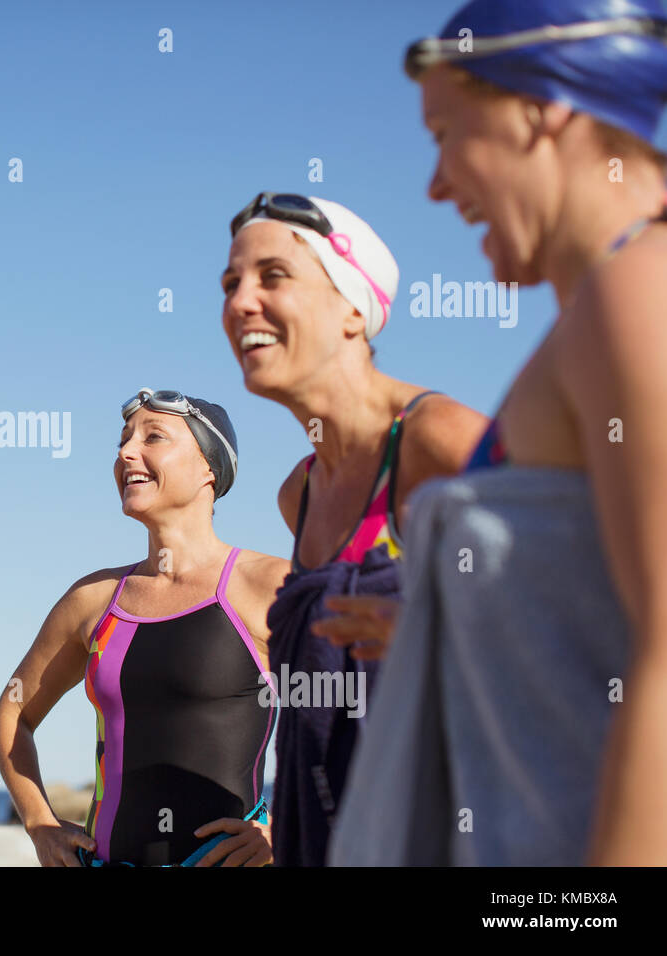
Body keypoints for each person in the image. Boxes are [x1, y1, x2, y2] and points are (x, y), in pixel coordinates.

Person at [330, 0, 667, 866]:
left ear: (542, 108)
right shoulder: (594, 316)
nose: (437, 184)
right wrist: (457, 626)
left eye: (447, 133)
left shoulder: (635, 293)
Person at [222, 194, 487, 865]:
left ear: (352, 308)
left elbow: (593, 625)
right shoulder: (299, 493)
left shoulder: (438, 443)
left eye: (272, 276)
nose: (241, 302)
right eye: (231, 284)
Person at [0, 389, 288, 866]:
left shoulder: (269, 585)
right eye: (124, 441)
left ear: (209, 468)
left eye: (154, 437)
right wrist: (39, 823)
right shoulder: (92, 600)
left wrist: (288, 828)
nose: (127, 452)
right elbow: (13, 713)